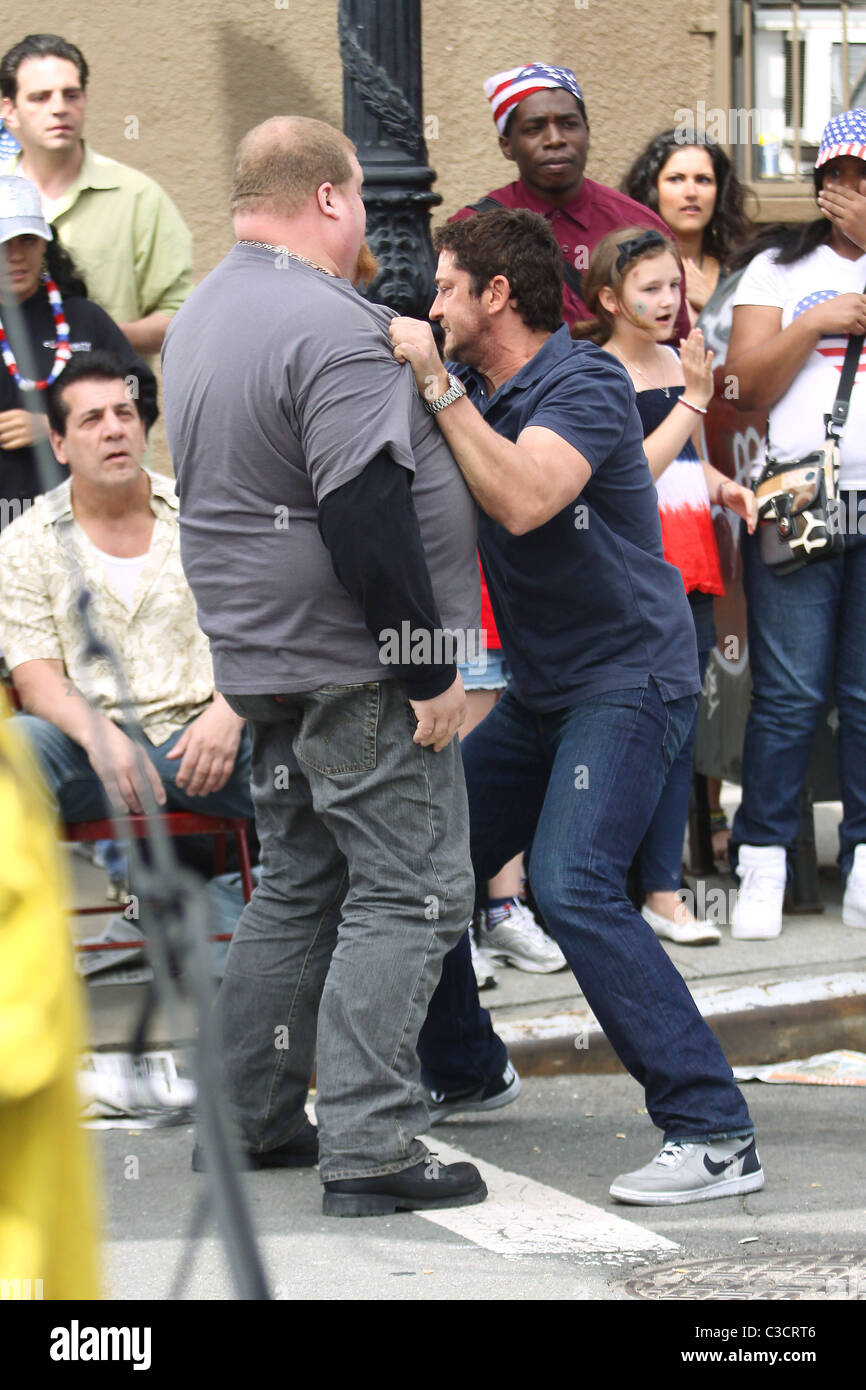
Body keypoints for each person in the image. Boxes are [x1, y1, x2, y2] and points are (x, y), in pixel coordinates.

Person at [390, 206, 763, 1206]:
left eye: (444, 287)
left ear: (494, 296)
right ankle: (467, 1065)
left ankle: (712, 1128)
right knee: (427, 866)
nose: (431, 304)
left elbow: (521, 500)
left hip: (627, 678)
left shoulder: (583, 382)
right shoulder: (476, 389)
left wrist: (431, 383)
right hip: (544, 689)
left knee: (568, 882)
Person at [161, 115, 487, 1218]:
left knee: (299, 885)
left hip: (265, 662)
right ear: (338, 199)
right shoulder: (333, 324)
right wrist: (428, 663)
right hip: (358, 664)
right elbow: (361, 509)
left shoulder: (203, 312)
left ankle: (250, 1114)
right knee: (413, 889)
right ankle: (372, 1140)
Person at [573, 225, 757, 944]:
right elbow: (628, 476)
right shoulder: (597, 372)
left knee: (679, 732)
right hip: (628, 573)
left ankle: (662, 891)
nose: (668, 300)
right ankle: (611, 887)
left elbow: (683, 466)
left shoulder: (685, 365)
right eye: (650, 288)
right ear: (610, 297)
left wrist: (723, 488)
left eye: (674, 286)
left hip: (689, 563)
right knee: (628, 732)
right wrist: (692, 402)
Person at [0, 350, 253, 848]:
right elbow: (36, 678)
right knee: (18, 745)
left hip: (213, 751)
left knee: (297, 745)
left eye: (125, 414)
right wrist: (100, 737)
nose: (113, 430)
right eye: (91, 419)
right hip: (93, 762)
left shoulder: (206, 518)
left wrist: (230, 712)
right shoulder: (23, 542)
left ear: (142, 431)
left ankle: (302, 914)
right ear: (59, 443)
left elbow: (257, 630)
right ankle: (23, 922)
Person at [725, 110, 866, 938]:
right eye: (839, 172)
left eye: (865, 174)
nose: (849, 188)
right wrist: (814, 320)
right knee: (788, 697)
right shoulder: (778, 267)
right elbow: (744, 388)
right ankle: (763, 859)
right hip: (803, 500)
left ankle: (861, 859)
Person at [450, 62, 690, 340]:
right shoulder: (473, 231)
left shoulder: (639, 225)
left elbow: (676, 341)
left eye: (568, 125)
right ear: (507, 145)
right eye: (534, 128)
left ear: (587, 132)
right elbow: (458, 337)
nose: (555, 140)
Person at [0, 34, 193, 355]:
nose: (59, 108)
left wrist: (92, 334)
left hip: (110, 397)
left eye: (71, 95)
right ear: (9, 109)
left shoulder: (138, 197)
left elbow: (182, 316)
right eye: (40, 97)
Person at [0, 175, 156, 528]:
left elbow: (138, 390)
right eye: (3, 244)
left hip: (84, 522)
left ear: (45, 244)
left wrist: (59, 428)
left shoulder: (84, 319)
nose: (16, 256)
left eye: (27, 240)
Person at [622, 129, 751, 327]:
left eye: (703, 180)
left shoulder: (741, 272)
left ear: (720, 192)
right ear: (652, 189)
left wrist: (711, 302)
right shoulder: (624, 267)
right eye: (676, 179)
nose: (691, 192)